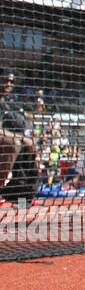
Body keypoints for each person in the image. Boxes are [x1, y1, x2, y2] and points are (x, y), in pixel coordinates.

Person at [0, 71, 40, 204]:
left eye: (11, 81)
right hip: (6, 141)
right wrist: (20, 138)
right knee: (15, 143)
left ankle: (22, 194)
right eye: (5, 80)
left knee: (31, 145)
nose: (8, 84)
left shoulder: (7, 102)